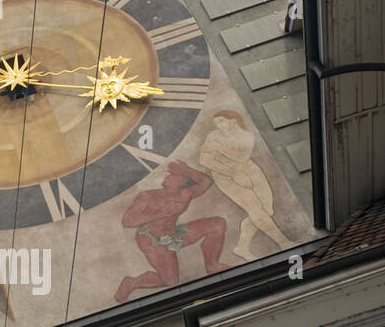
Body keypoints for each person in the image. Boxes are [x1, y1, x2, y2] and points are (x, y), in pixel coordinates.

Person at [115, 159, 228, 300]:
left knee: (217, 224)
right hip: (152, 239)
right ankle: (131, 283)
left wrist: (186, 170)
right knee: (170, 281)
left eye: (174, 176)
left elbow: (205, 182)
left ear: (182, 184)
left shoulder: (185, 195)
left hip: (173, 234)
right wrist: (161, 213)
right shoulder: (148, 196)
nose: (168, 176)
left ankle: (213, 265)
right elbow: (127, 221)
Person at [198, 111, 290, 259]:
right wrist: (232, 173)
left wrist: (220, 148)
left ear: (233, 121)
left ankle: (241, 247)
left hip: (249, 169)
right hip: (225, 176)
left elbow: (241, 158)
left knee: (267, 210)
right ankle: (284, 243)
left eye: (221, 121)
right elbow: (205, 160)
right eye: (217, 123)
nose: (219, 126)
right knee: (255, 210)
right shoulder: (213, 136)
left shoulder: (247, 136)